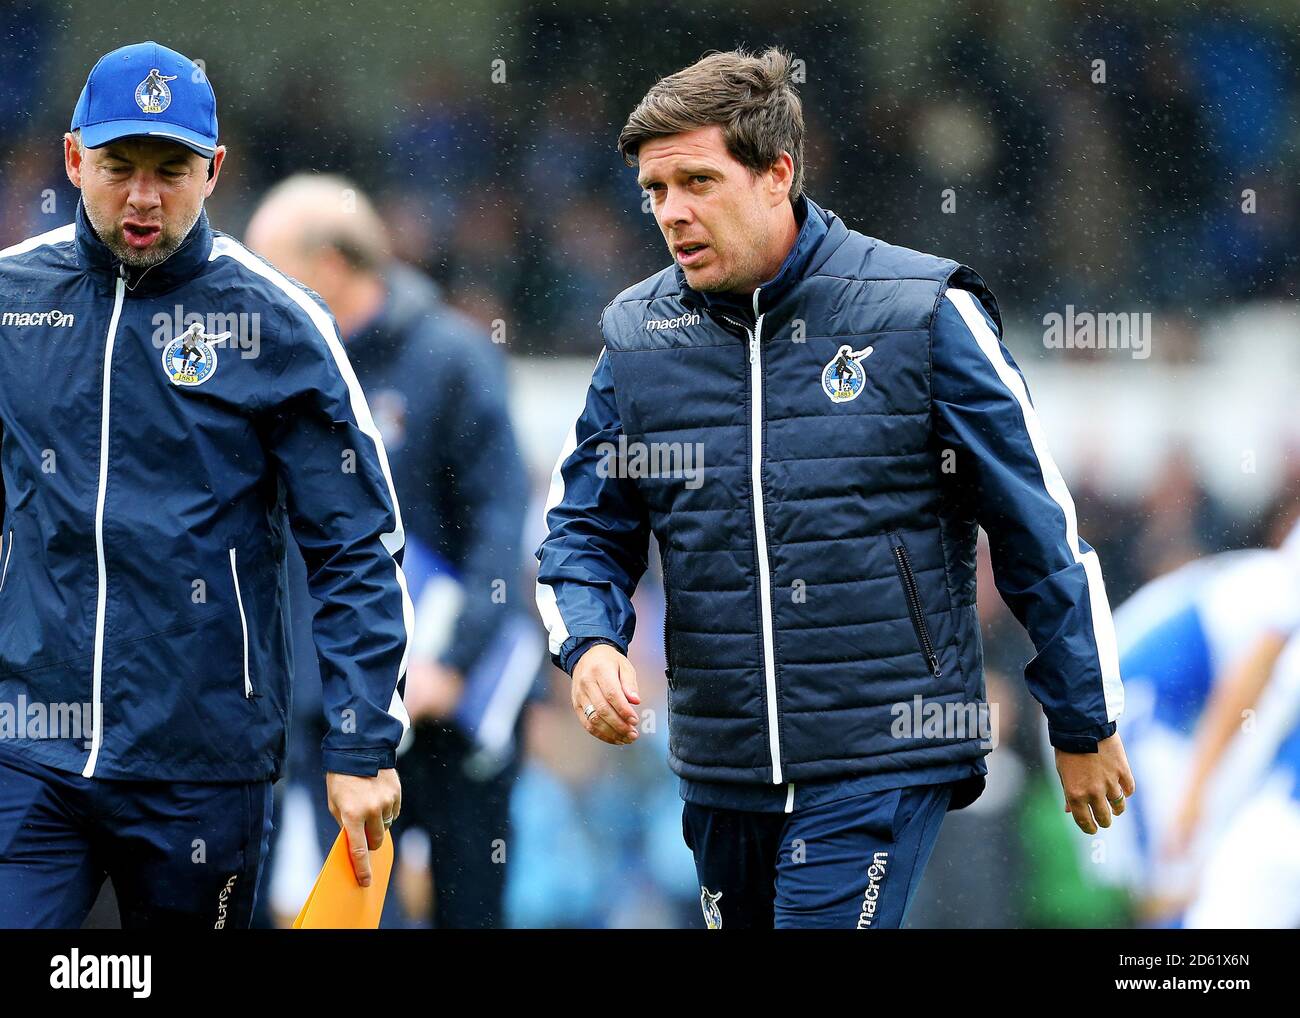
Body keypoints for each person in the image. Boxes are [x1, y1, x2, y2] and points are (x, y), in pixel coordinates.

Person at [535, 48, 1133, 930]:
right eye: (655, 191)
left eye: (697, 180)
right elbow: (580, 526)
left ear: (778, 174)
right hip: (722, 762)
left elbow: (1037, 524)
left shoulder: (921, 310)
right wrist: (590, 644)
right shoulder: (637, 336)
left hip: (884, 749)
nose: (673, 212)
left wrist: (1082, 720)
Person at [0, 42, 410, 928]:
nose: (143, 195)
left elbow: (356, 547)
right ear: (74, 159)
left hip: (201, 765)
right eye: (119, 166)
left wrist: (360, 741)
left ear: (215, 170)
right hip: (26, 747)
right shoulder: (10, 301)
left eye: (171, 169)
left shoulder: (282, 327)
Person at [245, 175, 535, 928]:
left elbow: (501, 525)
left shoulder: (454, 358)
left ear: (332, 265)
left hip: (455, 705)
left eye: (269, 268)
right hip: (337, 707)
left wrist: (453, 662)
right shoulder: (283, 372)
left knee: (472, 905)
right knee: (355, 914)